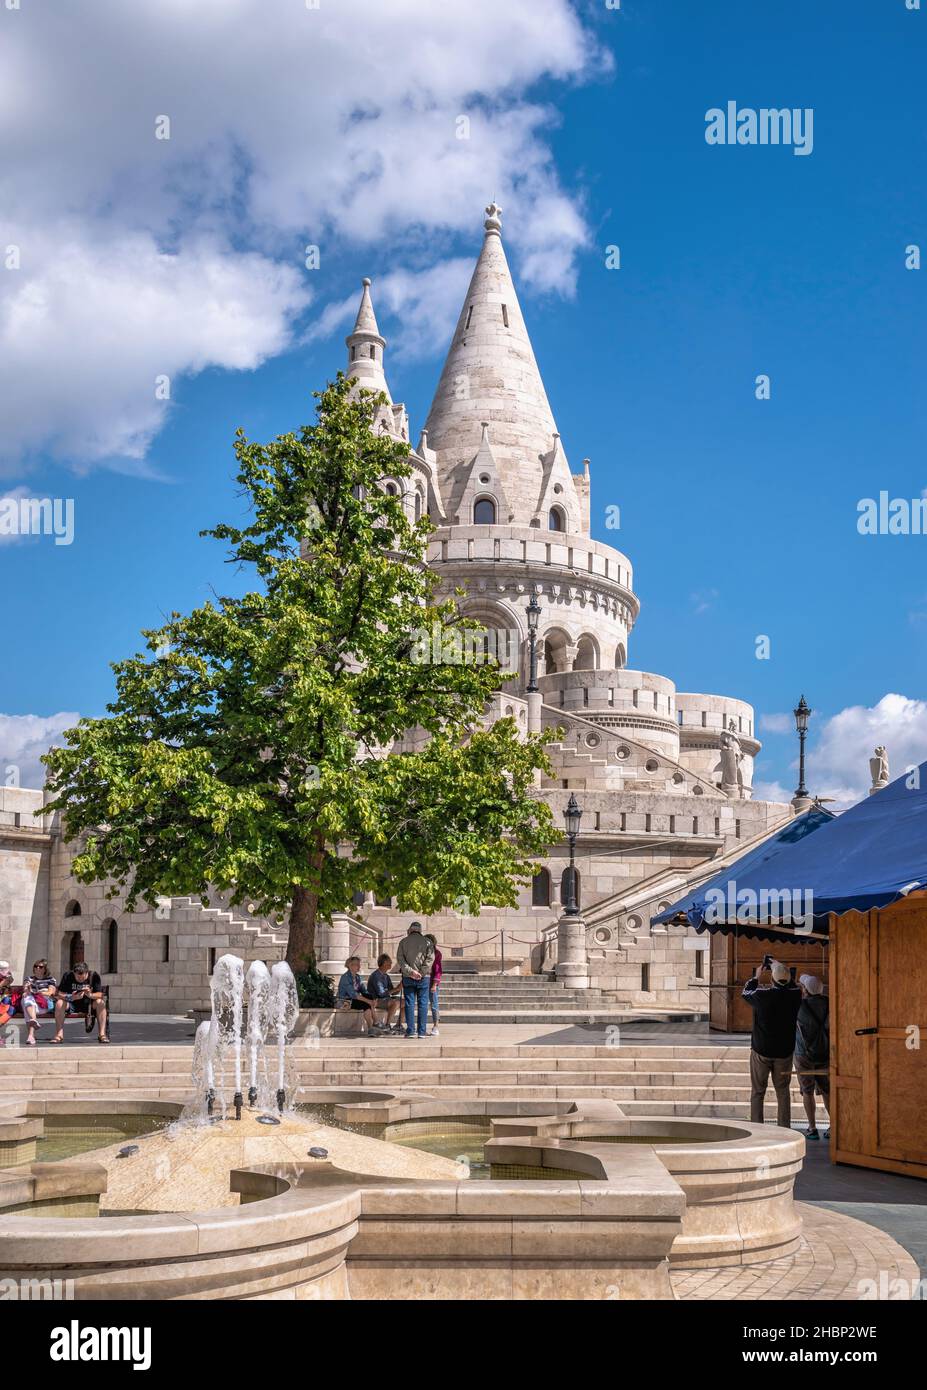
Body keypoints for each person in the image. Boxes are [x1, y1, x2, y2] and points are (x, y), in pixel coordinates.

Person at [742, 957, 802, 1128]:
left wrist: (756, 977)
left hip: (761, 1050)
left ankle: (757, 1127)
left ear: (772, 979)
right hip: (784, 1052)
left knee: (758, 1091)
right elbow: (792, 986)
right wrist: (780, 967)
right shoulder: (795, 995)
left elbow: (745, 993)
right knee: (783, 1092)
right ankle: (784, 1128)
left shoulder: (762, 995)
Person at [795, 974, 830, 1140]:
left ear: (805, 990)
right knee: (827, 1090)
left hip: (804, 1054)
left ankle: (812, 1127)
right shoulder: (829, 1003)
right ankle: (833, 1125)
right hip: (825, 1052)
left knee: (807, 1091)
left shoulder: (799, 1006)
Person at [52, 961, 109, 1044]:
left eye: (83, 978)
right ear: (74, 973)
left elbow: (100, 994)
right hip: (71, 1004)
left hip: (88, 1004)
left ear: (87, 973)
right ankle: (59, 1035)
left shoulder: (94, 976)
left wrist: (90, 995)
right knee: (59, 1003)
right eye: (78, 978)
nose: (80, 980)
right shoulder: (68, 976)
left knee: (100, 1003)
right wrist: (71, 997)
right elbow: (59, 994)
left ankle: (102, 1035)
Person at [395, 922, 434, 1039]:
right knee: (422, 1004)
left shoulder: (403, 942)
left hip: (408, 977)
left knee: (409, 1003)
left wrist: (411, 972)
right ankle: (422, 1032)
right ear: (420, 930)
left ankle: (411, 1031)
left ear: (410, 930)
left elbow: (400, 960)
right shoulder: (428, 942)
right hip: (423, 978)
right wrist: (420, 973)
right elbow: (430, 959)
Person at [336, 956, 383, 1031]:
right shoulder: (345, 977)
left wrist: (373, 999)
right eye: (357, 964)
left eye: (359, 964)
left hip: (353, 1000)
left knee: (369, 997)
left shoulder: (357, 977)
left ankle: (372, 1026)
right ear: (350, 965)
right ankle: (373, 1024)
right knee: (366, 1003)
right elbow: (353, 994)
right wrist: (369, 1001)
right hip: (345, 1002)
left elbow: (364, 991)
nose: (359, 966)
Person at [21, 959, 57, 1046]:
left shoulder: (51, 979)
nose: (37, 968)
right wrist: (27, 988)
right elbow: (25, 992)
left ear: (45, 969)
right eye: (36, 966)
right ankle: (31, 1034)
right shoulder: (29, 979)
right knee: (26, 998)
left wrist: (38, 992)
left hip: (43, 1005)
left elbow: (50, 993)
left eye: (40, 967)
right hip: (32, 1004)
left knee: (27, 1003)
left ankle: (31, 1033)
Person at [367, 953, 402, 1032]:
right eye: (389, 962)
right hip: (377, 1000)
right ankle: (387, 1025)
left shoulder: (386, 976)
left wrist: (399, 987)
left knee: (406, 1002)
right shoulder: (376, 976)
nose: (391, 964)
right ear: (384, 963)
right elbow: (381, 994)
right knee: (395, 1003)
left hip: (386, 999)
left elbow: (392, 992)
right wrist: (396, 989)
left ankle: (398, 1025)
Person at [426, 933, 442, 1037]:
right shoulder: (422, 953)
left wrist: (434, 984)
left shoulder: (437, 953)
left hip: (432, 982)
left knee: (434, 1004)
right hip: (423, 981)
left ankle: (436, 1026)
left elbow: (438, 970)